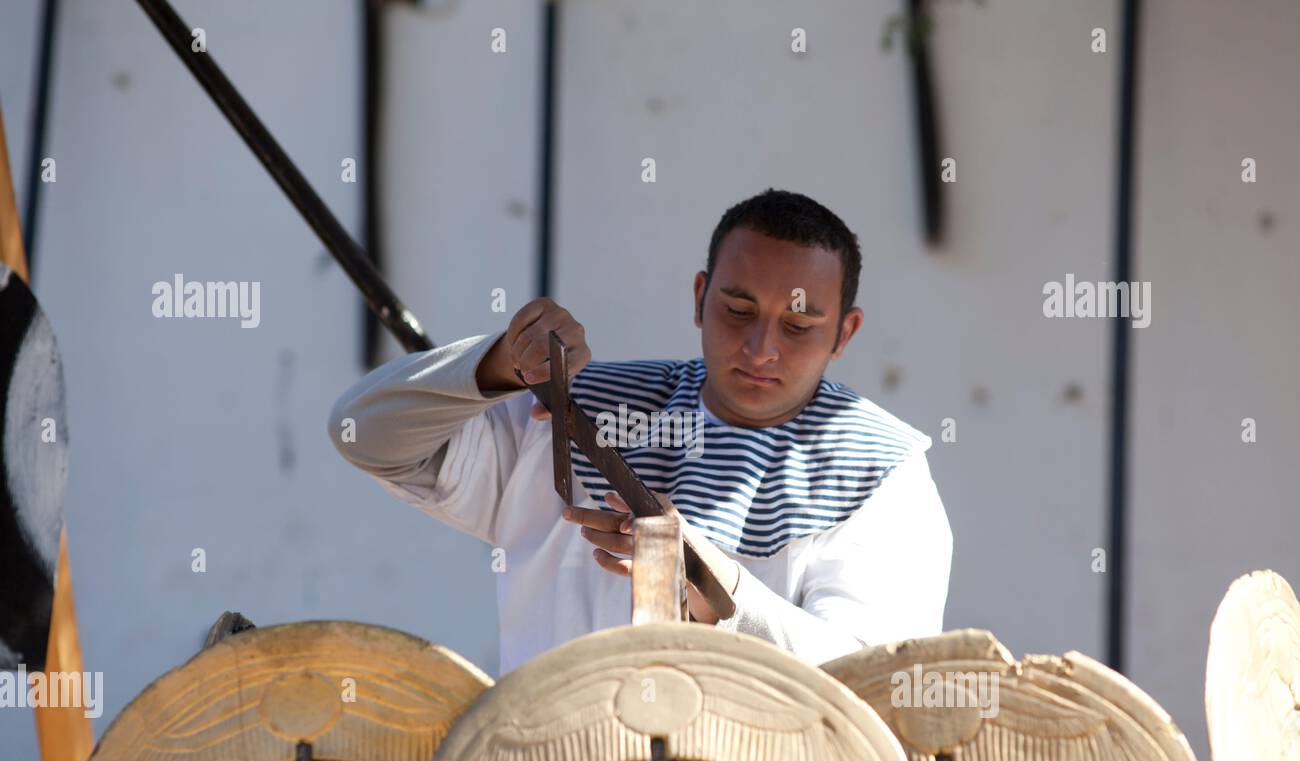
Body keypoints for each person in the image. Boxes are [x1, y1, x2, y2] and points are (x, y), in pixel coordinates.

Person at [328, 189, 952, 674]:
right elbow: (363, 434)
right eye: (737, 311)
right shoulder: (574, 409)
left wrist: (726, 592)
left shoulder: (880, 469)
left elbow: (876, 683)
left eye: (799, 326)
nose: (761, 348)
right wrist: (497, 364)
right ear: (699, 297)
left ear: (845, 333)